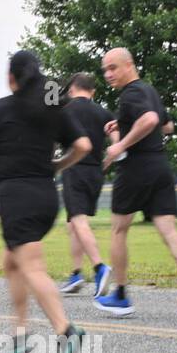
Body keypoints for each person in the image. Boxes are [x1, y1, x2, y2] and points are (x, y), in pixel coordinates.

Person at [0, 51, 92, 353]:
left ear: (12, 78)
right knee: (12, 262)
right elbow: (83, 146)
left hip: (17, 201)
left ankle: (66, 330)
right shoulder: (52, 109)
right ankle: (20, 335)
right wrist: (58, 165)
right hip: (46, 197)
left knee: (32, 268)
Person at [95, 48, 177, 321]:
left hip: (136, 169)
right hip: (160, 168)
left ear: (129, 65)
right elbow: (167, 126)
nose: (108, 74)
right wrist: (122, 124)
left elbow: (151, 120)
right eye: (105, 70)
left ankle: (120, 295)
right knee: (169, 231)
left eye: (113, 67)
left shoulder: (130, 93)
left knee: (118, 230)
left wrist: (120, 143)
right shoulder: (149, 91)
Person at [57, 73, 114, 297]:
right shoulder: (104, 113)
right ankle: (76, 274)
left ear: (72, 89)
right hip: (95, 172)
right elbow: (116, 142)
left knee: (78, 221)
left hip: (74, 169)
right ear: (93, 91)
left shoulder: (65, 110)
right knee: (73, 223)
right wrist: (108, 160)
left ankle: (100, 267)